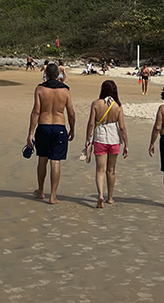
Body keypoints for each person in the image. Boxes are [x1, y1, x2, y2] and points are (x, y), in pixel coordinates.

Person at [26, 63, 75, 205]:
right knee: (55, 161)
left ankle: (41, 190)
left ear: (46, 74)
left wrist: (30, 133)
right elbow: (71, 113)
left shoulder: (40, 89)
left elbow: (36, 111)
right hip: (59, 127)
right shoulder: (65, 91)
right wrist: (72, 129)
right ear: (58, 75)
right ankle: (53, 195)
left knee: (42, 159)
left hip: (44, 126)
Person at [84, 80, 128, 208]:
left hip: (100, 138)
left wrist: (88, 138)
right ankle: (110, 197)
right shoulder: (118, 106)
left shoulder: (96, 104)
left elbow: (91, 123)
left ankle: (100, 195)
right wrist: (126, 144)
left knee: (100, 170)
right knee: (111, 170)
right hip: (114, 140)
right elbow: (122, 127)